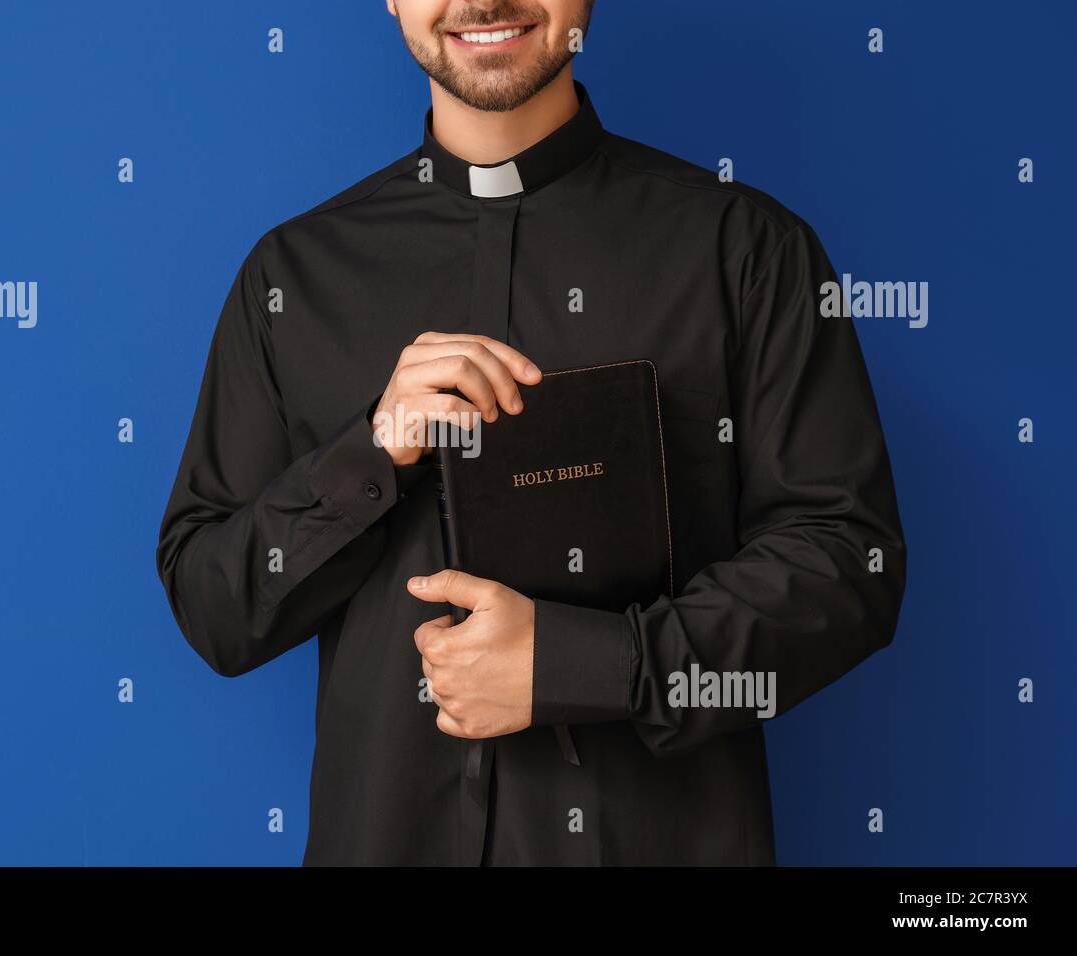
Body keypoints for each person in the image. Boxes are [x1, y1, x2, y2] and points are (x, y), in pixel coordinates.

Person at [155, 0, 907, 865]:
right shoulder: (289, 278)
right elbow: (215, 610)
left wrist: (593, 665)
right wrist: (372, 451)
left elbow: (850, 566)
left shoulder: (748, 251)